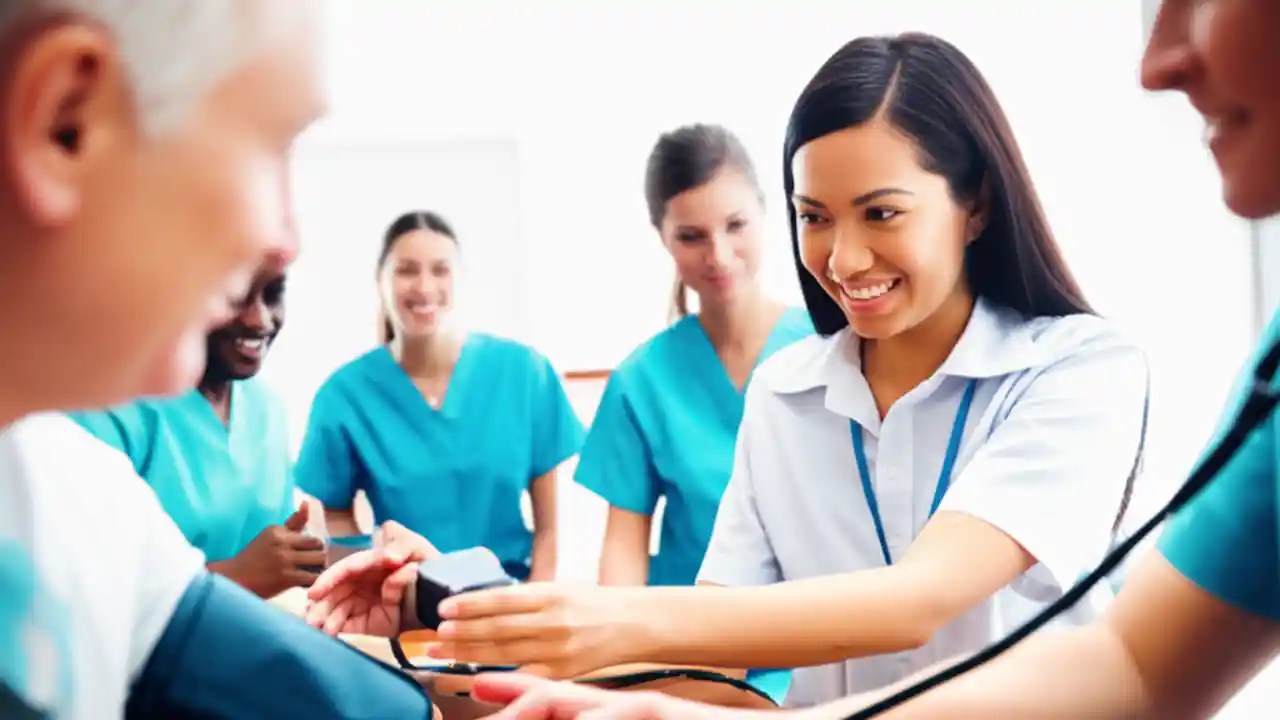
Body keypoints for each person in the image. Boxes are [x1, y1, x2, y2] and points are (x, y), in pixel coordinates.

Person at [332, 1, 1280, 718]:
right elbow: (713, 669)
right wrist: (459, 618)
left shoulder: (1077, 370)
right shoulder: (787, 394)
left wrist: (594, 616)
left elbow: (916, 603)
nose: (843, 259)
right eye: (815, 217)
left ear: (976, 203)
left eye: (883, 213)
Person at [0, 1, 438, 717]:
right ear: (63, 125)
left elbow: (354, 706)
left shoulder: (74, 497)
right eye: (268, 146)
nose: (284, 237)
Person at [580, 123, 812, 590]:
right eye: (692, 236)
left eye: (736, 225)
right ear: (662, 237)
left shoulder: (832, 349)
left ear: (767, 212)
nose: (719, 256)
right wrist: (621, 650)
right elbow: (623, 556)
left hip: (824, 635)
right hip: (692, 645)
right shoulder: (640, 382)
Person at [295, 210, 584, 582]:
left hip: (510, 598)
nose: (425, 286)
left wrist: (535, 604)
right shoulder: (345, 395)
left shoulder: (524, 372)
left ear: (462, 278)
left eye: (440, 270)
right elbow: (334, 511)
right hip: (406, 604)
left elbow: (550, 528)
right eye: (406, 270)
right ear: (380, 280)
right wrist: (373, 566)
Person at [68, 265, 324, 599]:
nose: (259, 320)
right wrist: (235, 578)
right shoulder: (110, 409)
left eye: (273, 294)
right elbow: (83, 592)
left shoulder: (266, 407)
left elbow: (276, 550)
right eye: (237, 296)